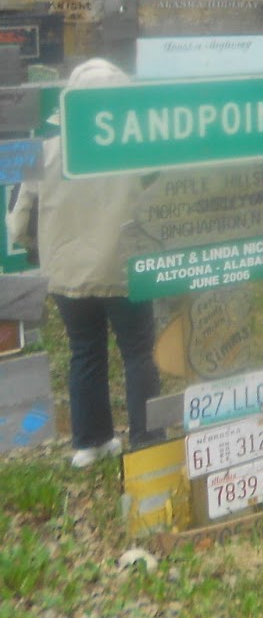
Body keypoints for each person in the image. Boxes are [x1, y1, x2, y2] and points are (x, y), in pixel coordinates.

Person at [6, 59, 162, 467]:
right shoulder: (136, 144)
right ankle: (147, 439)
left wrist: (32, 246)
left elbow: (18, 215)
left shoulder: (44, 148)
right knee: (139, 351)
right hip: (125, 267)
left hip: (65, 271)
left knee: (85, 351)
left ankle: (89, 443)